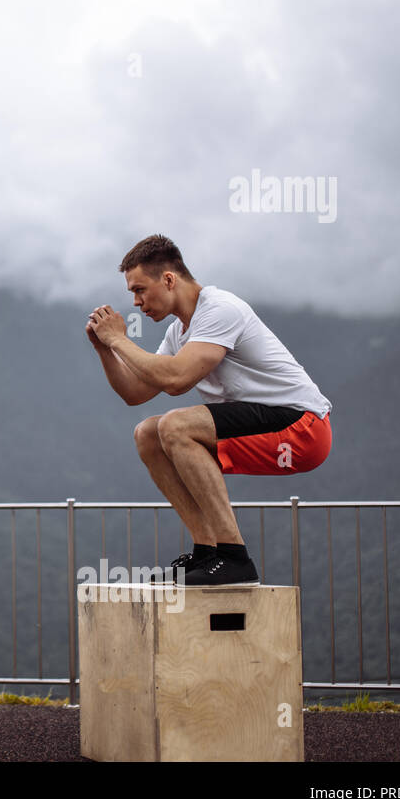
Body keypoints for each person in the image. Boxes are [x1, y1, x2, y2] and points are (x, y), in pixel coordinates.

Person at [86, 234, 332, 587]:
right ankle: (208, 551)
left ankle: (234, 558)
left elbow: (176, 380)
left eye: (140, 290)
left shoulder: (220, 309)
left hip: (302, 425)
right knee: (147, 435)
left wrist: (119, 339)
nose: (137, 302)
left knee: (176, 426)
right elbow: (136, 393)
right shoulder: (179, 331)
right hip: (265, 420)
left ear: (169, 279)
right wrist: (105, 350)